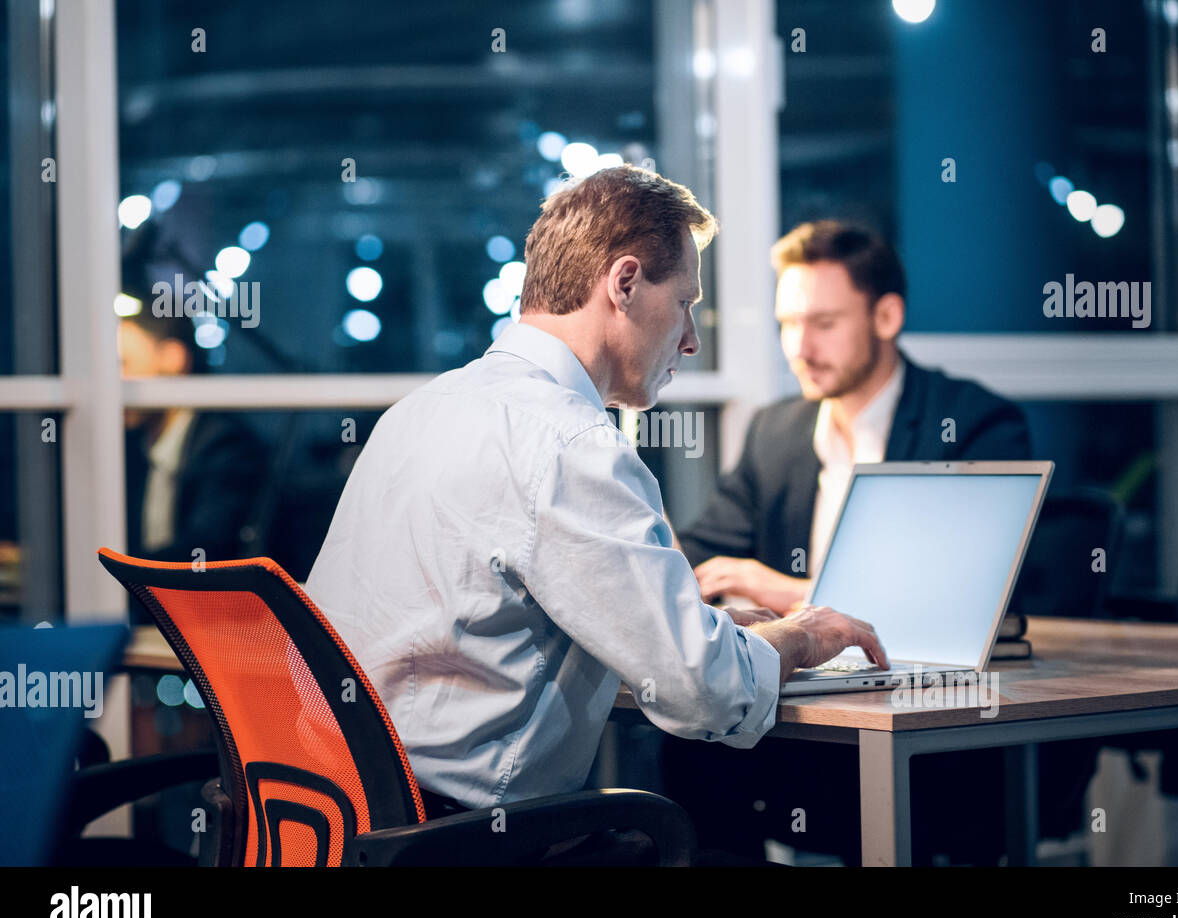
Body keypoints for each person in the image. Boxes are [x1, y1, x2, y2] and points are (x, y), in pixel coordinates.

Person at [303, 166, 888, 865]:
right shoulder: (571, 444)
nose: (692, 339)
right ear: (625, 283)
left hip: (326, 820)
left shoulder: (417, 413)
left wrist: (708, 628)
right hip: (460, 842)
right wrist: (808, 634)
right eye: (686, 304)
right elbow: (705, 692)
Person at [665, 220, 1032, 865]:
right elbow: (702, 558)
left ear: (886, 316)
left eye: (824, 323)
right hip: (811, 711)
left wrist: (779, 591)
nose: (798, 348)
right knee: (686, 742)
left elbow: (961, 598)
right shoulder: (778, 433)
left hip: (926, 713)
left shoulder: (973, 425)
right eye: (788, 323)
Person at [119, 301, 266, 573]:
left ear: (173, 359)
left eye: (124, 363)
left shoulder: (226, 445)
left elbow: (207, 551)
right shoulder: (130, 445)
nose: (115, 379)